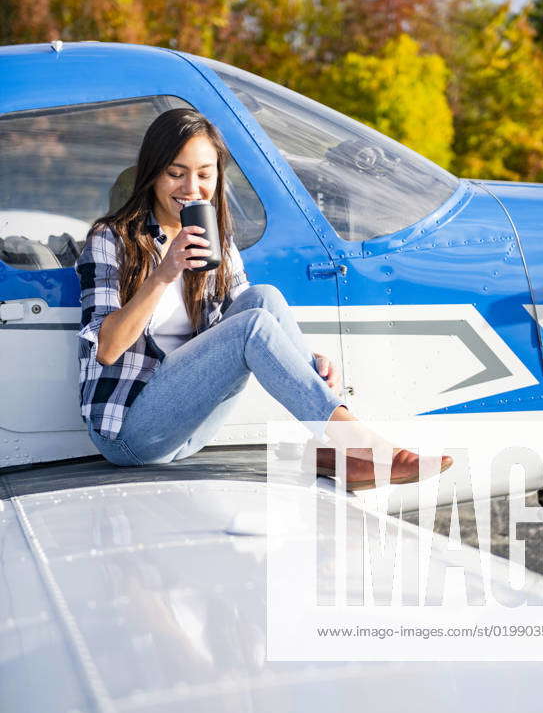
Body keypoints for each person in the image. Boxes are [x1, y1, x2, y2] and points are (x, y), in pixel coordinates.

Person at [76, 108, 452, 489]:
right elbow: (107, 349)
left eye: (204, 174)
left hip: (191, 428)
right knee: (252, 325)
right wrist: (164, 273)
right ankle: (360, 443)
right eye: (176, 173)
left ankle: (337, 449)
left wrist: (307, 360)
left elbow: (255, 320)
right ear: (153, 173)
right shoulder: (111, 239)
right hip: (130, 432)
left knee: (264, 298)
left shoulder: (215, 239)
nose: (191, 188)